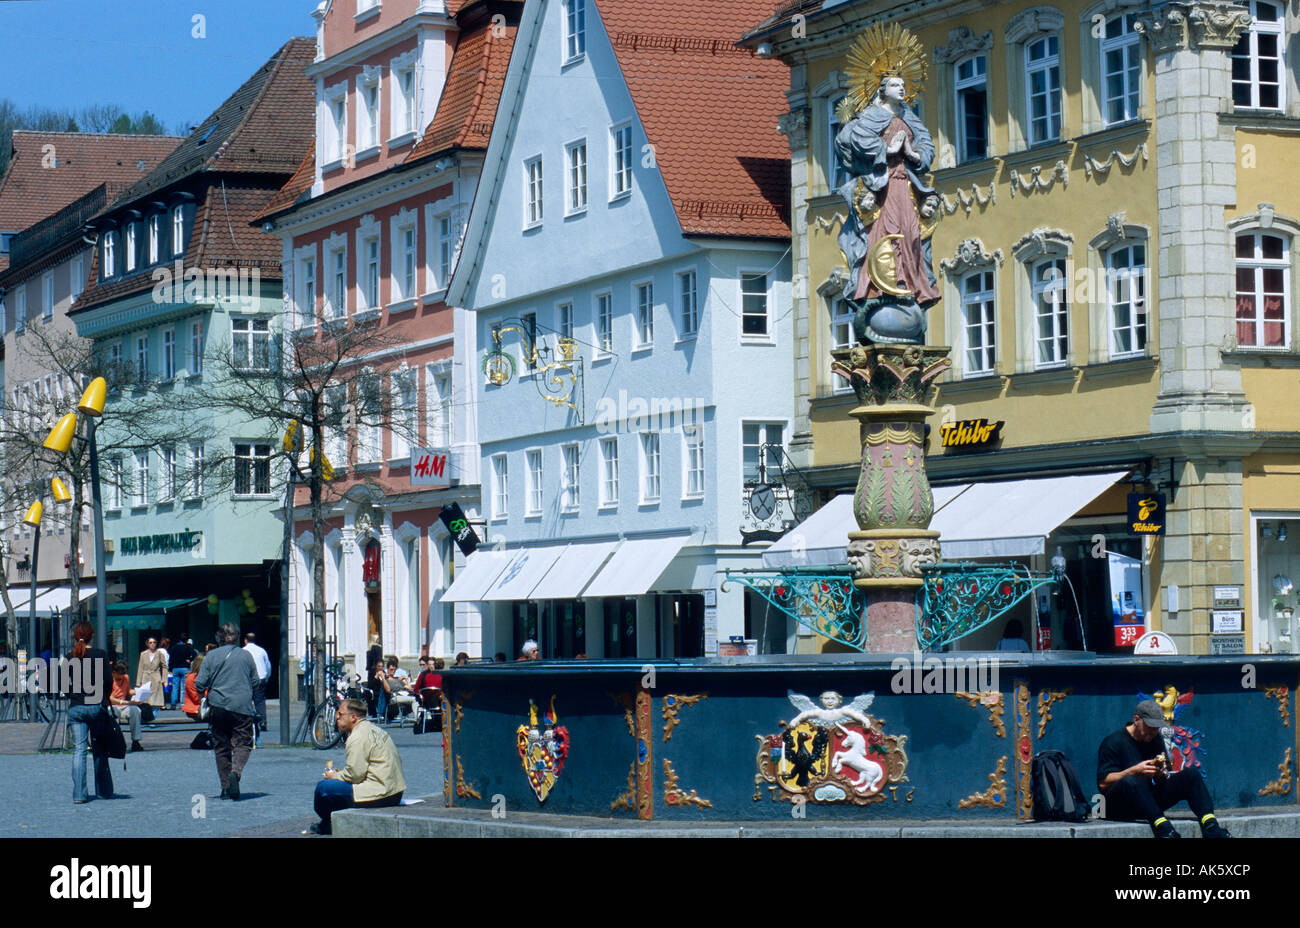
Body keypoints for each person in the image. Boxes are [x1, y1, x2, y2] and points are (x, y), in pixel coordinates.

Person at [1097, 699, 1229, 838]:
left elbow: (1162, 780)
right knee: (1132, 780)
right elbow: (1102, 783)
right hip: (1119, 806)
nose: (1153, 731)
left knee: (1191, 775)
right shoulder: (1113, 742)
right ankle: (1164, 829)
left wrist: (1161, 772)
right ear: (1136, 720)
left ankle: (1211, 827)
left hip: (1147, 802)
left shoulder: (1155, 738)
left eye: (1156, 727)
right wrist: (1133, 771)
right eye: (1150, 726)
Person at [310, 698, 406, 835]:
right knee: (334, 785)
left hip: (380, 793)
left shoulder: (357, 736)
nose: (337, 718)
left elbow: (355, 775)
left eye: (340, 714)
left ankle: (328, 823)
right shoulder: (374, 729)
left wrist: (334, 776)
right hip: (394, 791)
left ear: (353, 717)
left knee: (323, 788)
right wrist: (340, 775)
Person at [195, 623, 261, 800]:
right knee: (243, 743)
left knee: (221, 747)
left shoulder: (211, 656)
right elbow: (256, 682)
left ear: (220, 637)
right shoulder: (246, 656)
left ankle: (225, 787)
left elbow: (199, 683)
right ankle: (236, 772)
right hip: (242, 706)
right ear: (238, 637)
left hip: (218, 706)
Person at [66, 621, 113, 803]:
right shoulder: (100, 655)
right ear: (92, 635)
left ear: (75, 636)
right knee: (99, 748)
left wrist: (73, 695)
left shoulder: (70, 657)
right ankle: (103, 790)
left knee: (79, 750)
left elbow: (63, 684)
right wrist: (105, 698)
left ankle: (79, 794)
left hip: (77, 707)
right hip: (96, 706)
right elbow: (108, 681)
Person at [242, 631, 271, 747]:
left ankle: (247, 722)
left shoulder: (243, 651)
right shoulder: (262, 651)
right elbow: (268, 665)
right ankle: (262, 721)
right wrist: (266, 676)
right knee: (260, 701)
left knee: (247, 701)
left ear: (245, 640)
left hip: (247, 679)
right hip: (261, 678)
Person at [109, 661, 145, 752]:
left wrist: (140, 691)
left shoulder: (125, 678)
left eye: (124, 673)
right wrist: (125, 702)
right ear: (114, 672)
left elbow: (128, 691)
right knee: (113, 711)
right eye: (120, 674)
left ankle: (136, 741)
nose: (122, 676)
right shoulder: (109, 680)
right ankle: (115, 741)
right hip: (113, 705)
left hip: (124, 705)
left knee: (136, 710)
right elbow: (109, 698)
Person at [136, 636, 167, 710]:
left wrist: (164, 679)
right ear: (147, 644)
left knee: (155, 700)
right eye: (150, 642)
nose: (152, 644)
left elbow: (164, 666)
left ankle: (154, 716)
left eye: (154, 642)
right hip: (145, 678)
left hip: (156, 677)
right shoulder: (143, 654)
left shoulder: (159, 653)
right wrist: (138, 682)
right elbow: (140, 668)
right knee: (146, 700)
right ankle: (147, 717)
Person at [167, 637, 194, 710]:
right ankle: (182, 703)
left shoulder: (174, 647)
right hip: (184, 667)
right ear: (186, 640)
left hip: (175, 668)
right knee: (183, 687)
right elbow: (194, 653)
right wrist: (190, 659)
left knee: (175, 687)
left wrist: (170, 668)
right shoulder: (187, 647)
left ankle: (173, 703)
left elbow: (171, 658)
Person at [182, 654, 205, 719]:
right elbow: (195, 697)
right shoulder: (191, 678)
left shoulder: (204, 676)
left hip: (202, 706)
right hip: (194, 708)